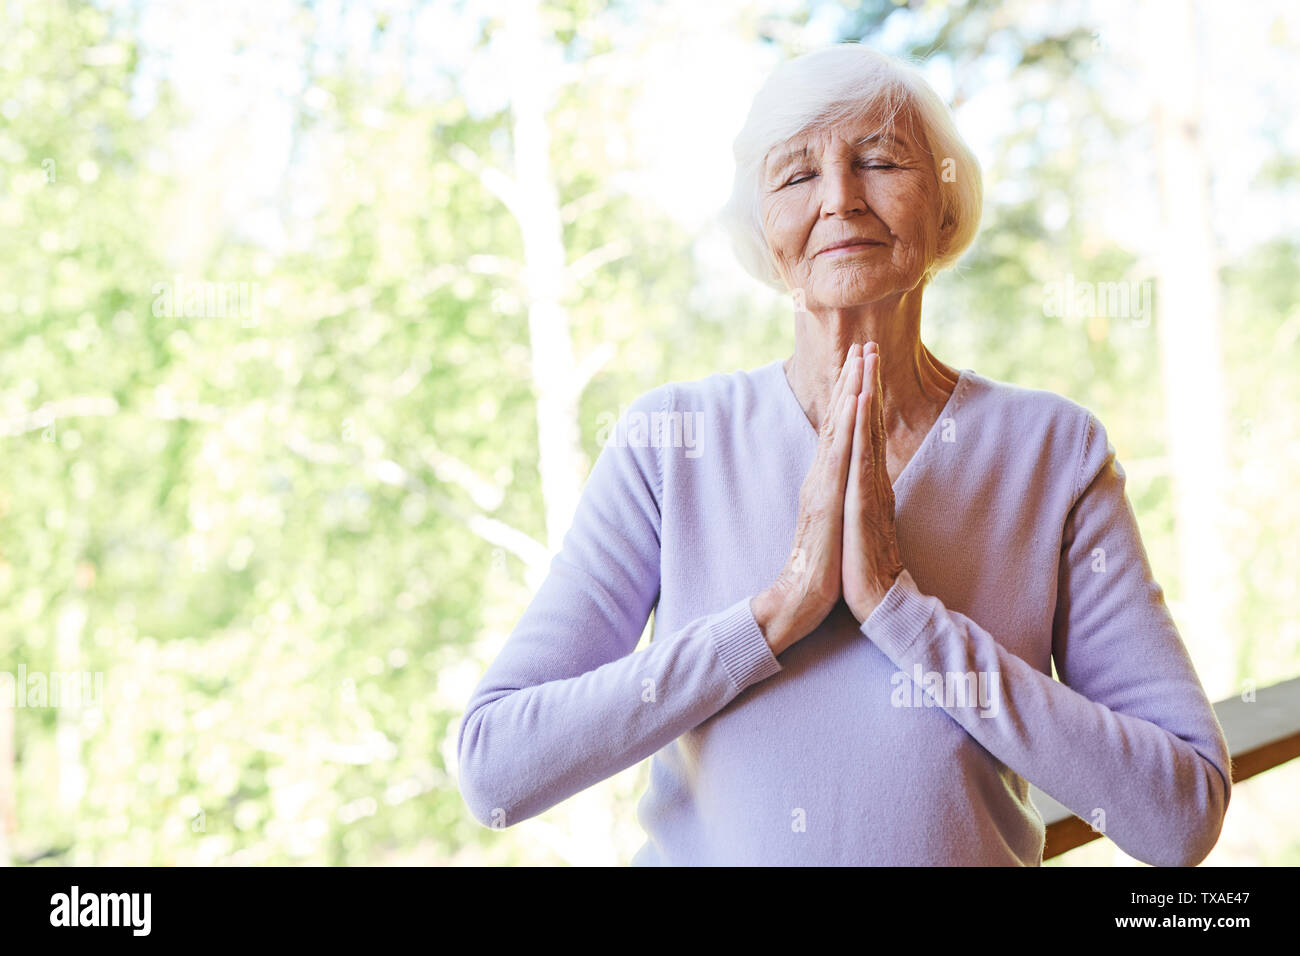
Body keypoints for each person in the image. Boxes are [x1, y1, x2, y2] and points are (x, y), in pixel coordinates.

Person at [456, 42, 1231, 865]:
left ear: (943, 201)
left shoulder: (1052, 451)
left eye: (880, 160)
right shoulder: (668, 443)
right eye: (797, 176)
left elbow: (1179, 815)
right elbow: (496, 770)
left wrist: (905, 616)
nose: (840, 200)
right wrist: (774, 615)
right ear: (765, 230)